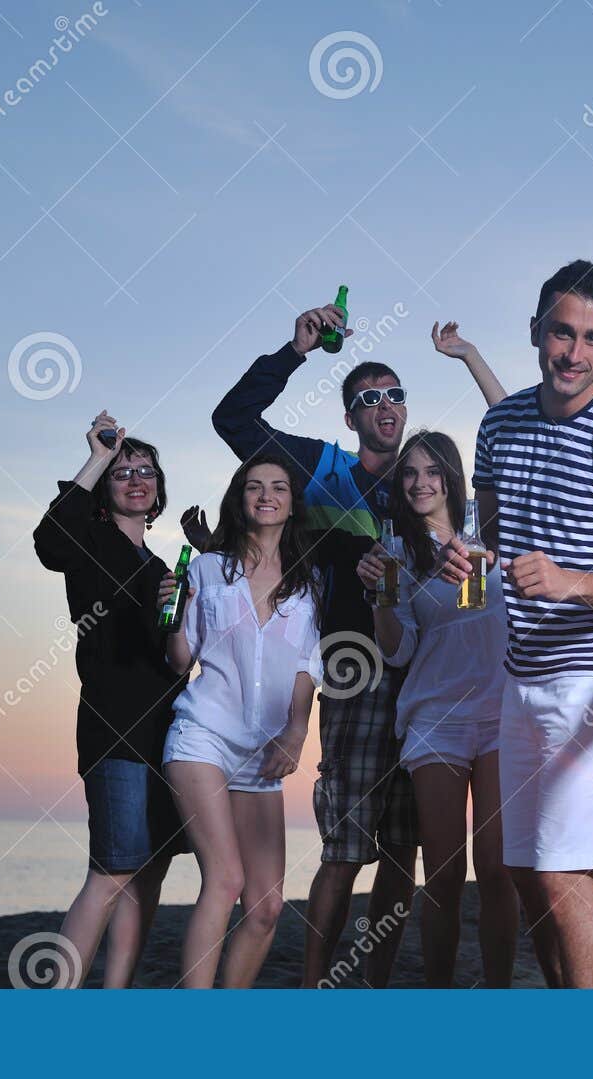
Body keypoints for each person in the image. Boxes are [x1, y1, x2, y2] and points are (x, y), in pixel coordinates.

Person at [212, 302, 504, 987]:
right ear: (351, 416)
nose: (385, 404)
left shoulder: (428, 487)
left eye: (395, 393)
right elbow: (232, 422)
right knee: (346, 847)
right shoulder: (321, 467)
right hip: (358, 671)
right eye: (369, 397)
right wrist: (295, 352)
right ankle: (321, 986)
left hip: (435, 684)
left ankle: (373, 985)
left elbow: (475, 583)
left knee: (406, 849)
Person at [441, 260, 593, 988]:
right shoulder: (498, 424)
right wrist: (467, 569)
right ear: (536, 330)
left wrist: (570, 582)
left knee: (566, 873)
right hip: (520, 676)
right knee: (523, 868)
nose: (574, 352)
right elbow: (492, 547)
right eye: (562, 332)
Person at [359, 420, 519, 988]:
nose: (420, 482)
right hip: (436, 719)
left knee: (499, 870)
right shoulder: (396, 551)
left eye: (431, 470)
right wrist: (380, 594)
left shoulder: (492, 527)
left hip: (503, 711)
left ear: (451, 477)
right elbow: (398, 652)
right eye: (409, 472)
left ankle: (497, 993)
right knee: (445, 874)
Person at [31, 412, 186, 988]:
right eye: (123, 473)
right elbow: (47, 543)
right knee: (111, 871)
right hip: (114, 731)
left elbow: (178, 659)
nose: (136, 478)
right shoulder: (88, 541)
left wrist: (180, 612)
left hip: (169, 736)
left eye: (145, 471)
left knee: (149, 874)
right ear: (105, 489)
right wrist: (98, 455)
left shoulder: (165, 569)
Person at [157, 455, 321, 988]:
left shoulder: (309, 583)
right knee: (225, 879)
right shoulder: (206, 568)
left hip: (263, 750)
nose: (266, 495)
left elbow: (307, 666)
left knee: (267, 905)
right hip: (201, 734)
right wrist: (174, 615)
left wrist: (296, 733)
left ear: (292, 502)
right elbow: (181, 660)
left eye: (278, 487)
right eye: (254, 487)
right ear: (240, 498)